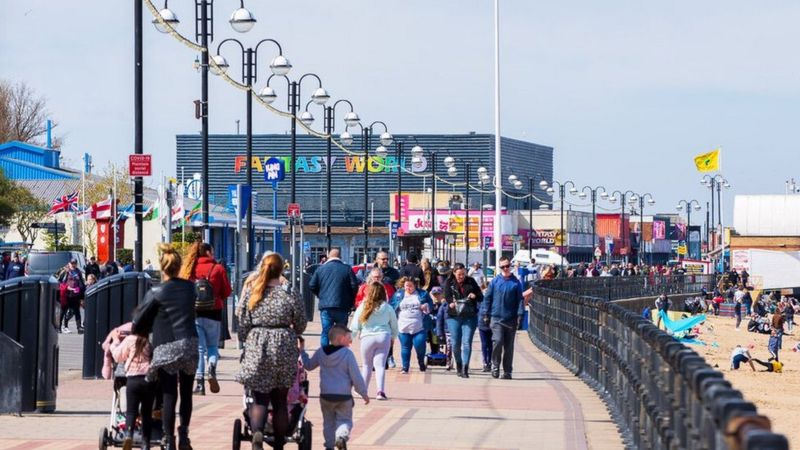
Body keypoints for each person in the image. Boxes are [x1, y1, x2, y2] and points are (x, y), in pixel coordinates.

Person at [236, 252, 307, 450]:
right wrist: (293, 332)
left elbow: (242, 322)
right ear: (281, 269)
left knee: (259, 397)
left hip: (258, 343)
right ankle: (278, 443)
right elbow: (301, 322)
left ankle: (257, 434)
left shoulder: (253, 292)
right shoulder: (289, 292)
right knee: (280, 400)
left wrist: (247, 340)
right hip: (283, 344)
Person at [132, 244, 199, 450]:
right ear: (179, 267)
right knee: (187, 391)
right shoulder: (190, 288)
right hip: (189, 343)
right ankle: (184, 434)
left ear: (162, 268)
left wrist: (143, 328)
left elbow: (138, 320)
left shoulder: (157, 291)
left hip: (167, 346)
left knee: (170, 392)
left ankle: (168, 438)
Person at [301, 324, 369, 450]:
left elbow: (309, 365)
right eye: (349, 337)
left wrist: (302, 352)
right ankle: (341, 437)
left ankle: (329, 446)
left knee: (328, 423)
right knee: (345, 420)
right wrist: (363, 393)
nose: (351, 340)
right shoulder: (347, 354)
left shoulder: (321, 352)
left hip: (325, 395)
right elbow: (356, 377)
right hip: (344, 396)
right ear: (340, 338)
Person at [180, 242, 232, 396]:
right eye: (213, 251)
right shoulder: (218, 268)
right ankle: (212, 367)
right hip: (214, 312)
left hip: (195, 313)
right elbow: (227, 291)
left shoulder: (190, 268)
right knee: (212, 347)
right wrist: (217, 298)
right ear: (208, 252)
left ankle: (200, 384)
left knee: (200, 349)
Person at [111, 314, 155, 450]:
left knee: (131, 411)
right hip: (148, 379)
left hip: (133, 380)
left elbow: (118, 356)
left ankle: (128, 434)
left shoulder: (130, 340)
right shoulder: (150, 340)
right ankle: (146, 443)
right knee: (147, 413)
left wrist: (115, 341)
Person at [350, 282, 398, 401]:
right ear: (383, 293)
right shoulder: (387, 307)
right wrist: (393, 336)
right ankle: (380, 392)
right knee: (380, 365)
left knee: (367, 365)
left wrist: (350, 337)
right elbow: (394, 324)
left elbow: (355, 324)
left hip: (367, 337)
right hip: (383, 336)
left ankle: (363, 390)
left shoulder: (364, 306)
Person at [483, 256, 525, 380]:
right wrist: (486, 313)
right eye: (503, 267)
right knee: (498, 341)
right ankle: (495, 366)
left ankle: (507, 371)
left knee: (509, 346)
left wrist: (520, 315)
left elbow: (520, 300)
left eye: (507, 266)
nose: (506, 268)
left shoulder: (516, 282)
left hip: (510, 319)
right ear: (500, 267)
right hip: (496, 318)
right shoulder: (495, 282)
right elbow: (488, 299)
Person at [309, 248, 359, 347]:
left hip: (326, 307)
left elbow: (312, 285)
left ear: (328, 256)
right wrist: (350, 300)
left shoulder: (320, 269)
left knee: (326, 332)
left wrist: (321, 295)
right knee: (341, 333)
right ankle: (339, 354)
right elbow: (354, 286)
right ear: (340, 257)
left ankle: (325, 355)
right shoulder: (347, 269)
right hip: (343, 306)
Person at [443, 263, 483, 378]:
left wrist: (474, 295)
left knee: (467, 342)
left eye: (463, 274)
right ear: (454, 273)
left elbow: (481, 296)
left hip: (469, 315)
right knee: (455, 343)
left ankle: (465, 367)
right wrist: (450, 302)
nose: (461, 276)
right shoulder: (449, 282)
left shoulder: (471, 281)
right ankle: (459, 364)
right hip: (454, 316)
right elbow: (447, 295)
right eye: (459, 274)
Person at [390, 277, 433, 374]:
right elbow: (392, 306)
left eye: (410, 286)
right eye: (406, 286)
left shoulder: (422, 294)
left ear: (415, 286)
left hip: (419, 326)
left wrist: (426, 306)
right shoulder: (398, 294)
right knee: (405, 347)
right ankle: (405, 367)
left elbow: (430, 304)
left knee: (420, 346)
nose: (408, 288)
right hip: (403, 326)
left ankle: (421, 362)